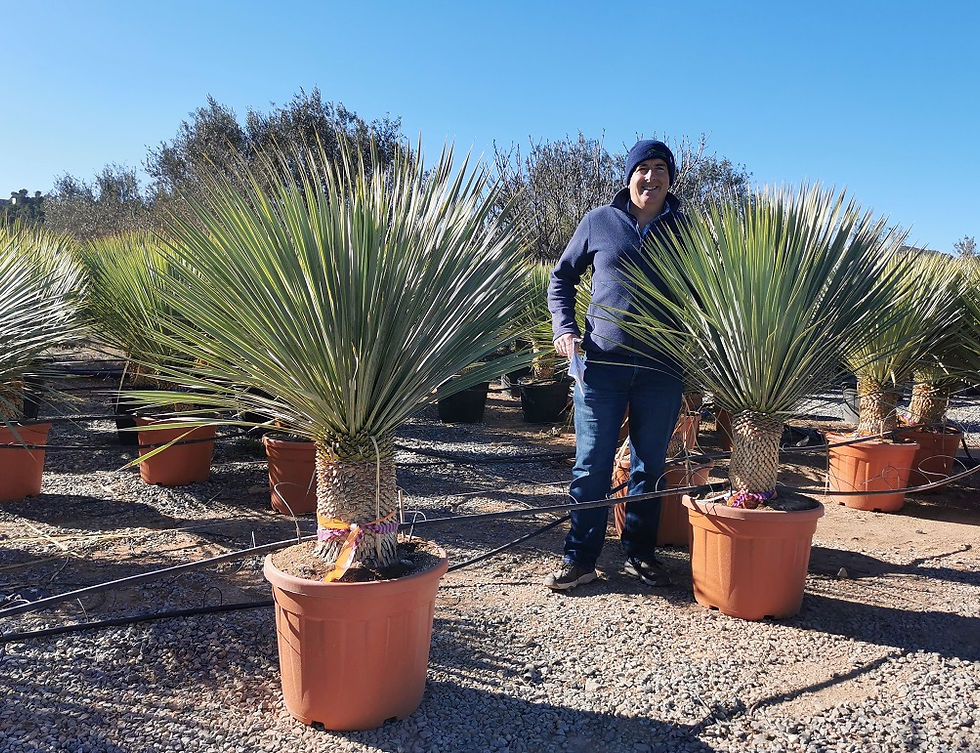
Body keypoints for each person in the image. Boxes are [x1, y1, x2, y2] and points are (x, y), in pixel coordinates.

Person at [544, 139, 686, 591]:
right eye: (643, 168)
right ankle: (580, 557)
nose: (651, 176)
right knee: (592, 464)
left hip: (662, 370)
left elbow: (703, 295)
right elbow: (562, 276)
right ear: (629, 176)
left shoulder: (686, 231)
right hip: (601, 366)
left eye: (660, 168)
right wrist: (564, 328)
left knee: (649, 465)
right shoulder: (599, 222)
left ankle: (640, 555)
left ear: (670, 179)